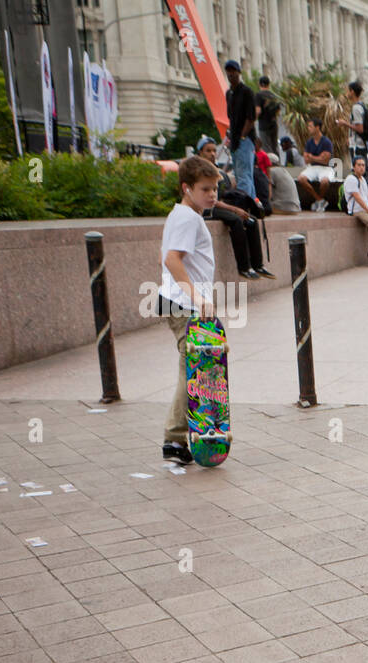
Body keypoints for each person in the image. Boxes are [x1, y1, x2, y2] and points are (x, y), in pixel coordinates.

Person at [157, 155, 222, 465]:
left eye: (215, 189)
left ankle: (179, 437)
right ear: (186, 187)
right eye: (205, 189)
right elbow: (172, 259)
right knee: (191, 371)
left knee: (193, 369)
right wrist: (198, 299)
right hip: (184, 306)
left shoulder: (185, 214)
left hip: (181, 303)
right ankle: (174, 439)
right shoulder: (187, 218)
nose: (212, 195)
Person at [196, 137, 274, 280]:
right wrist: (234, 209)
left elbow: (222, 195)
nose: (212, 154)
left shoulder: (217, 171)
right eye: (208, 151)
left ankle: (258, 264)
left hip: (216, 206)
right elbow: (212, 201)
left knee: (251, 220)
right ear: (200, 153)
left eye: (214, 150)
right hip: (205, 210)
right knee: (236, 220)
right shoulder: (199, 172)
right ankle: (243, 267)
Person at [223, 60, 257, 199]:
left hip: (245, 140)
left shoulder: (247, 92)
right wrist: (232, 137)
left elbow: (251, 118)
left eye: (234, 71)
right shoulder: (229, 94)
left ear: (239, 72)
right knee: (241, 175)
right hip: (235, 140)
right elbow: (231, 118)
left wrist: (243, 136)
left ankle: (245, 208)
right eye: (229, 71)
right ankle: (254, 205)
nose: (231, 74)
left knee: (244, 176)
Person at [297, 118, 335, 210]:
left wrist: (312, 157)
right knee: (301, 179)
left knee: (324, 182)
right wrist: (319, 158)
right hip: (312, 168)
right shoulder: (309, 142)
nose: (308, 128)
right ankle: (319, 200)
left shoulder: (326, 142)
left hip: (326, 168)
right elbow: (306, 160)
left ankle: (319, 201)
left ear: (317, 127)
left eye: (310, 126)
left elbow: (326, 161)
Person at [339, 80, 368, 162]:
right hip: (359, 144)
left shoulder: (356, 108)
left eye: (347, 90)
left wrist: (344, 123)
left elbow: (360, 128)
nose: (346, 93)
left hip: (357, 146)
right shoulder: (360, 105)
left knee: (358, 171)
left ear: (352, 92)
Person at [254, 76, 281, 154]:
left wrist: (253, 120)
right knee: (274, 146)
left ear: (259, 84)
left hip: (263, 124)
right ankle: (277, 163)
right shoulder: (274, 95)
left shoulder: (258, 95)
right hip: (274, 123)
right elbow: (278, 111)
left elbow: (258, 111)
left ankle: (270, 164)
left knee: (266, 147)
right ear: (268, 84)